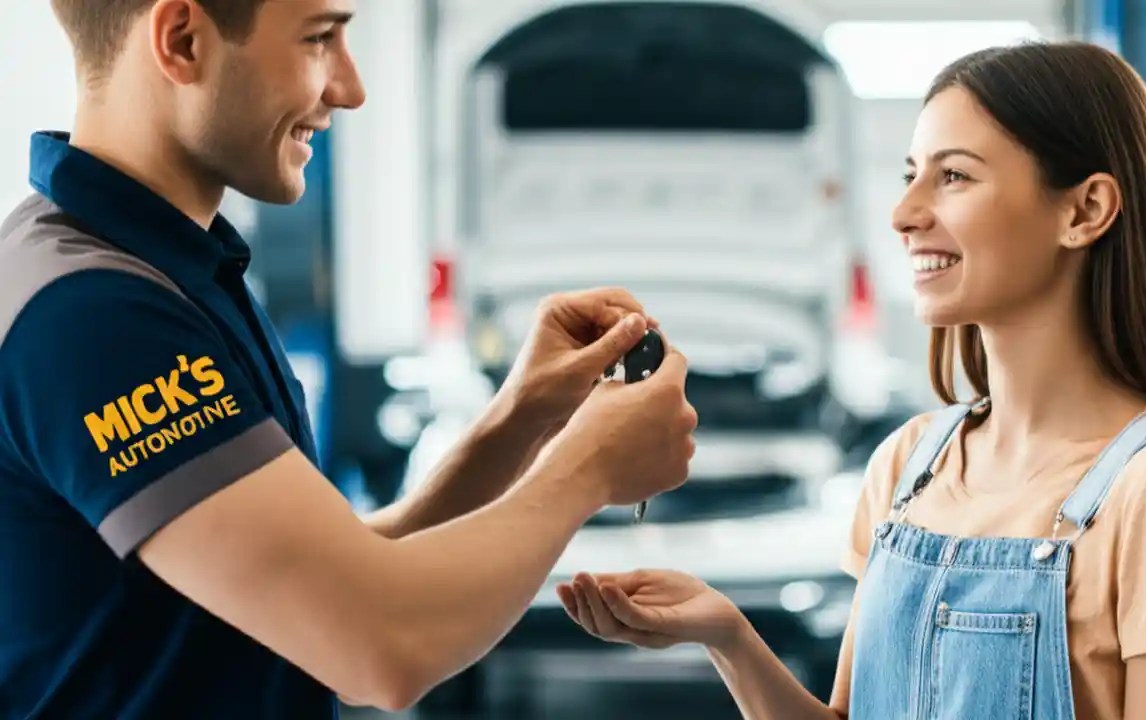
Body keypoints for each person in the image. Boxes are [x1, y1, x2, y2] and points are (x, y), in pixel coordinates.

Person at [0, 0, 698, 716]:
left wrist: (522, 420)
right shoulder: (94, 315)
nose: (349, 89)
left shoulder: (154, 271)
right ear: (182, 41)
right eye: (319, 39)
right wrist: (589, 468)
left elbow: (322, 584)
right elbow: (377, 645)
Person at [559, 41, 1146, 720]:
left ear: (1084, 211)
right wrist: (729, 638)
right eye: (911, 176)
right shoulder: (909, 465)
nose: (903, 215)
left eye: (954, 176)